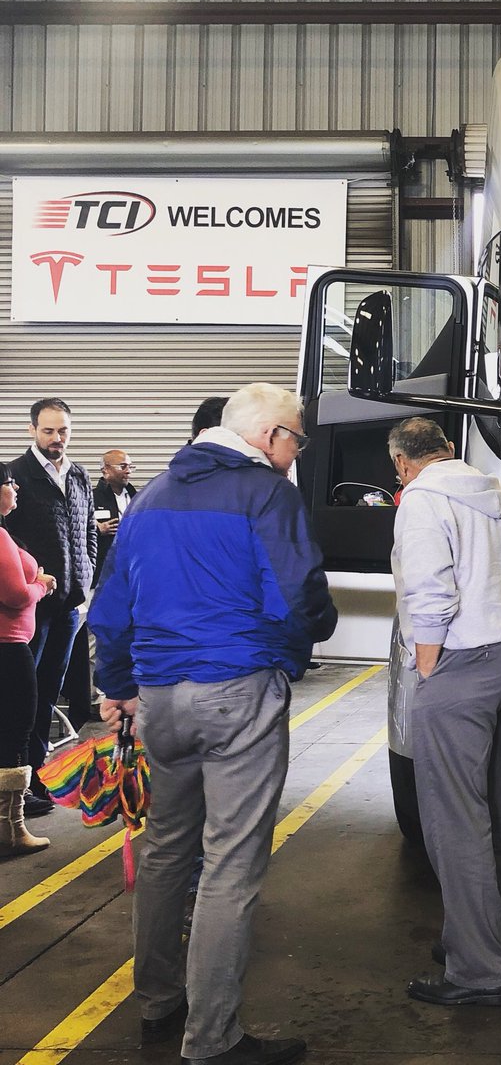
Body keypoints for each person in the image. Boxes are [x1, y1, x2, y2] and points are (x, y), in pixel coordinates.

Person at [91, 383, 337, 1065]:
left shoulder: (149, 499)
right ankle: (212, 1040)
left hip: (161, 699)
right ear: (266, 436)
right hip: (237, 690)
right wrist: (289, 657)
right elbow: (297, 596)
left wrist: (119, 687)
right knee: (231, 863)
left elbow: (109, 611)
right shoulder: (265, 494)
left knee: (167, 849)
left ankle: (158, 1004)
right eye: (296, 438)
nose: (296, 452)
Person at [390, 417, 501, 1007]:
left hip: (463, 663)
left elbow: (429, 591)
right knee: (498, 804)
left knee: (454, 818)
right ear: (448, 450)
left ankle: (479, 971)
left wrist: (430, 665)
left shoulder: (420, 500)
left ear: (402, 463)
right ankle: (486, 938)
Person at [6, 399, 96, 815]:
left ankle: (37, 778)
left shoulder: (78, 475)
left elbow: (87, 530)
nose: (56, 439)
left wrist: (87, 573)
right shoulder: (14, 475)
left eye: (63, 431)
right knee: (22, 699)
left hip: (68, 608)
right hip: (30, 609)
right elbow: (7, 536)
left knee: (46, 696)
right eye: (48, 431)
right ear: (31, 431)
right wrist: (33, 579)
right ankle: (15, 784)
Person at [0, 463, 57, 856]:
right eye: (8, 482)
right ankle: (12, 829)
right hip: (9, 648)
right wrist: (41, 584)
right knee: (15, 735)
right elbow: (16, 596)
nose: (15, 487)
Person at [92, 449, 137, 579]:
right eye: (122, 466)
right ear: (105, 470)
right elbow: (76, 528)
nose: (128, 471)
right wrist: (97, 528)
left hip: (132, 572)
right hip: (101, 574)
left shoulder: (137, 498)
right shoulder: (90, 498)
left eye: (130, 467)